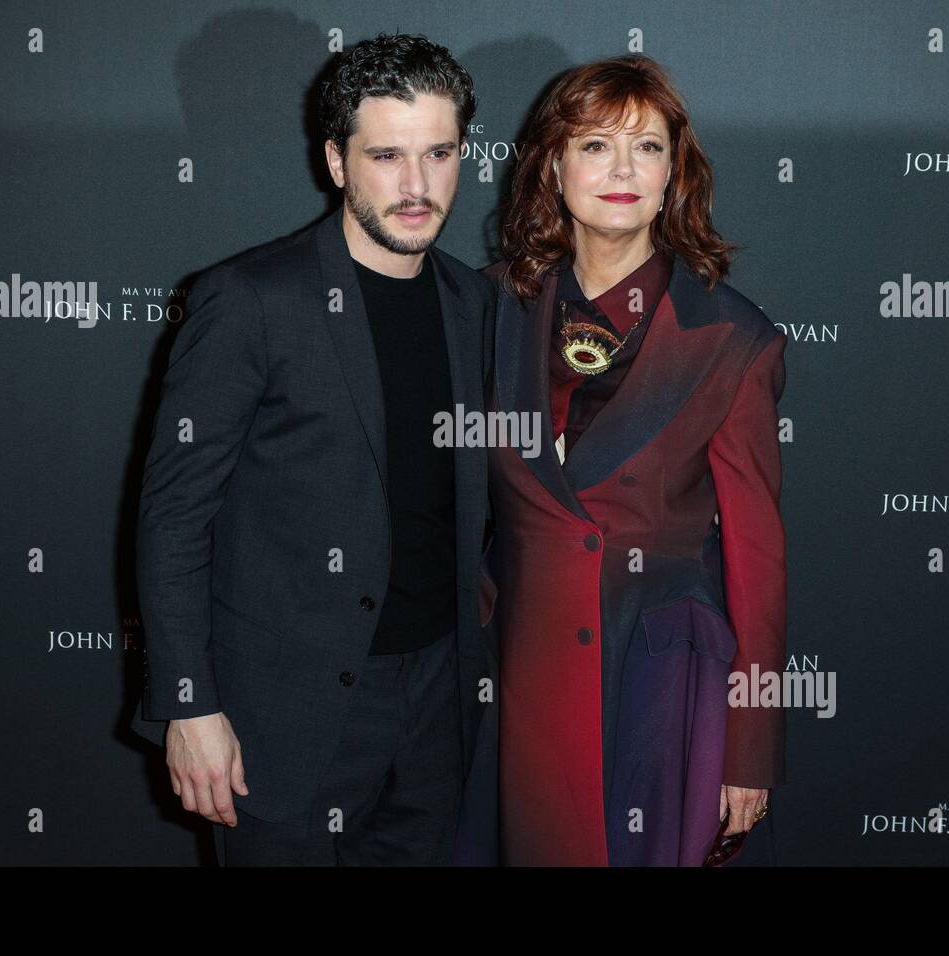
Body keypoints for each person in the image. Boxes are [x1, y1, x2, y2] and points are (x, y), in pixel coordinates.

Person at [130, 33, 497, 866]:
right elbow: (174, 516)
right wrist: (190, 707)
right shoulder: (250, 300)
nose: (416, 185)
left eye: (439, 153)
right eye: (387, 156)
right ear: (336, 161)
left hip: (440, 703)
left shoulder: (476, 304)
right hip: (284, 716)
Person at [469, 54, 789, 866]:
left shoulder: (732, 338)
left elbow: (756, 556)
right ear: (552, 163)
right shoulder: (489, 308)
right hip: (516, 671)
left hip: (657, 681)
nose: (622, 170)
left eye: (647, 148)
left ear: (674, 172)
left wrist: (749, 745)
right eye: (595, 145)